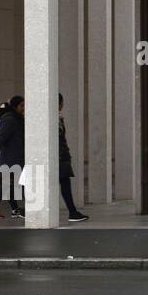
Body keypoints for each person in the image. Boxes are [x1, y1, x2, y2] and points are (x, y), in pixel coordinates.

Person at [0, 95, 25, 217]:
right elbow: (0, 139)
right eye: (22, 106)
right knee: (11, 183)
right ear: (15, 107)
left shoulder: (18, 118)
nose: (24, 108)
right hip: (11, 158)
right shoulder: (10, 119)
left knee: (8, 184)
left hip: (16, 156)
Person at [58, 93, 89, 223]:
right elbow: (59, 139)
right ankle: (72, 211)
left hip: (60, 155)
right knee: (64, 183)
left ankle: (73, 211)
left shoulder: (57, 118)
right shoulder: (56, 118)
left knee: (64, 182)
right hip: (60, 156)